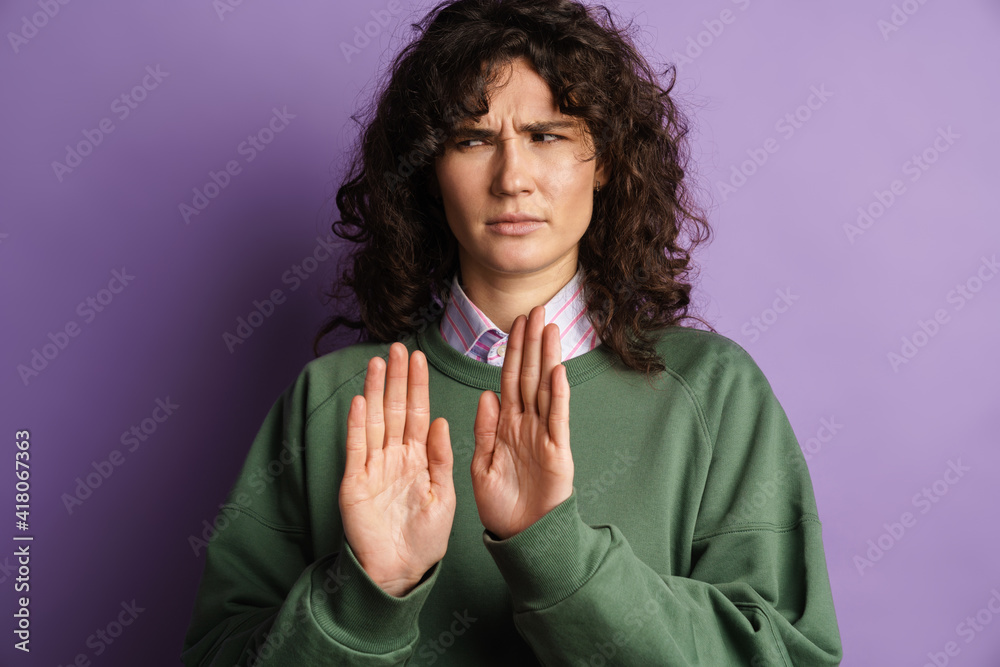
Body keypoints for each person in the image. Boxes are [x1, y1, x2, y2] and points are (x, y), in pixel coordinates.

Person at [181, 0, 844, 664]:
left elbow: (788, 655)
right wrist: (366, 592)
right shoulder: (331, 400)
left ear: (605, 159)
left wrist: (556, 551)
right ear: (430, 169)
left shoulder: (714, 391)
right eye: (472, 139)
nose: (512, 179)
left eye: (547, 134)